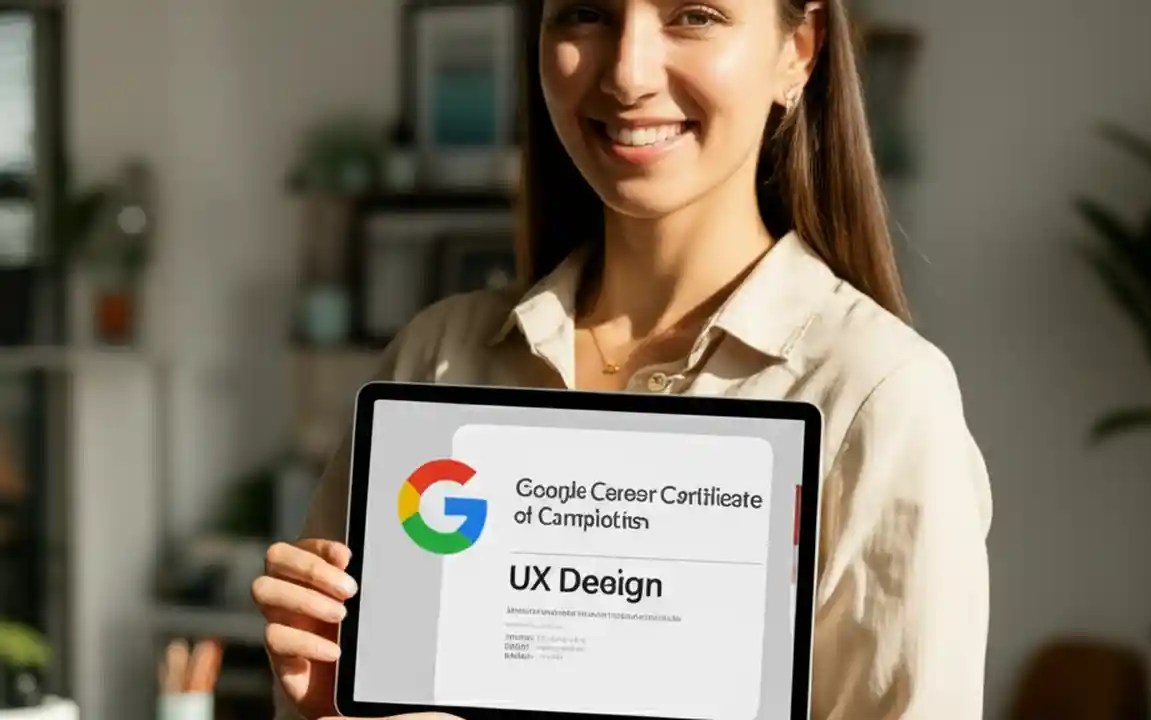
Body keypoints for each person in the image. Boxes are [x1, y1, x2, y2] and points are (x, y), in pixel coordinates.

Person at [253, 1, 992, 718]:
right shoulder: (435, 357)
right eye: (584, 13)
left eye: (694, 15)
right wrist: (330, 709)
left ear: (798, 51)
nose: (628, 74)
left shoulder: (880, 396)